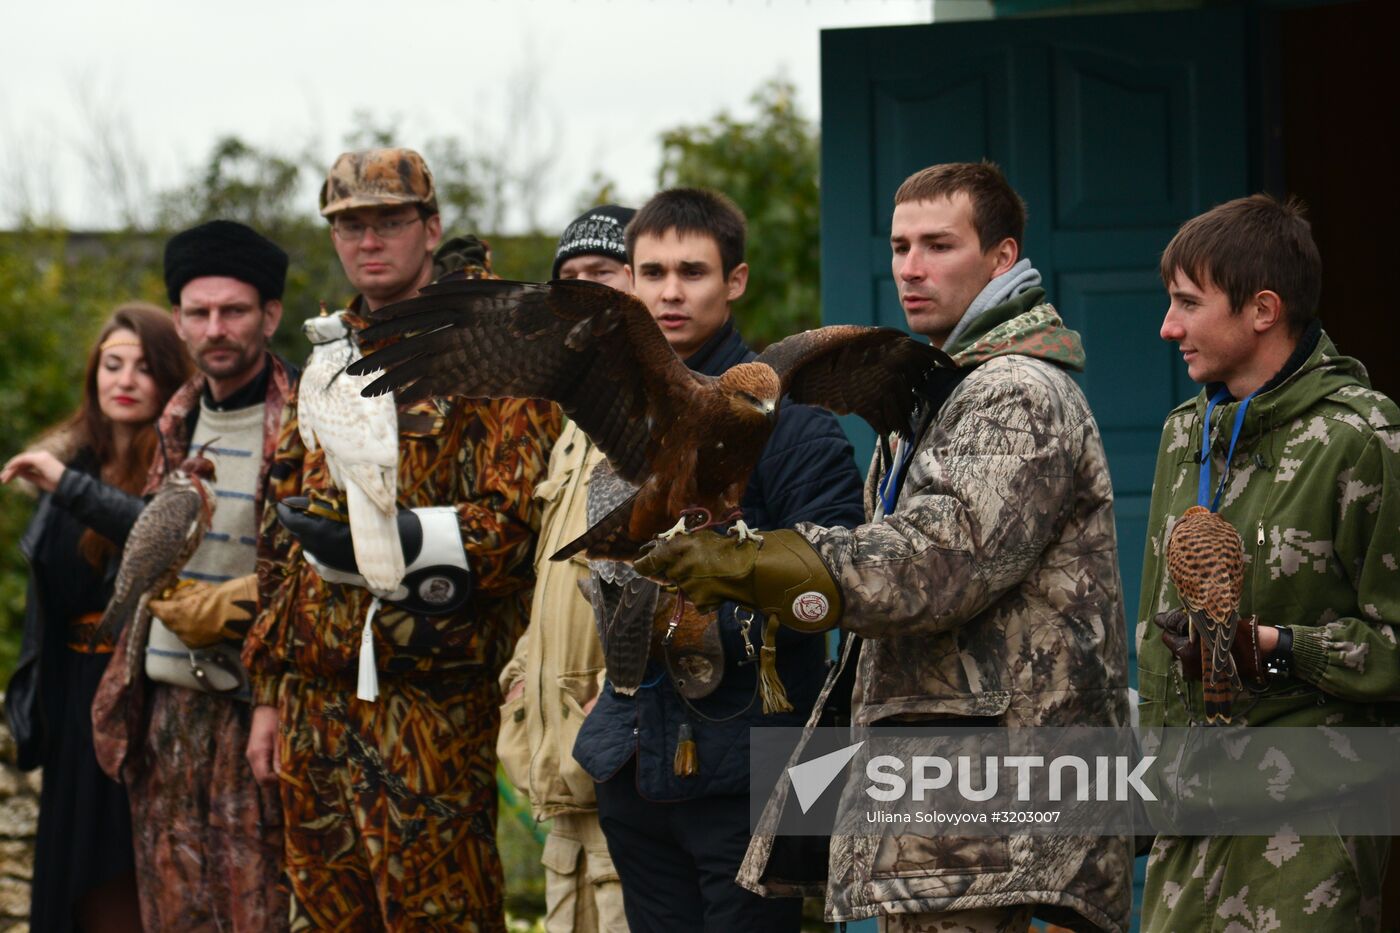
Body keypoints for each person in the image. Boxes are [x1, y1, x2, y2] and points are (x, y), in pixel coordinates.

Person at [635, 163, 1133, 932]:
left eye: (938, 244)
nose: (911, 267)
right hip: (951, 799)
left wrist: (754, 562)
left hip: (998, 808)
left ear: (1002, 257)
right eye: (900, 247)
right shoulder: (943, 388)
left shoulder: (1014, 391)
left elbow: (932, 566)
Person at [240, 147, 560, 931]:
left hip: (429, 696)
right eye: (350, 225)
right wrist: (269, 692)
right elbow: (278, 530)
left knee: (437, 914)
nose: (368, 240)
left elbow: (516, 525)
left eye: (388, 221)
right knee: (322, 916)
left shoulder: (491, 342)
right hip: (315, 699)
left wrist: (394, 539)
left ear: (432, 226)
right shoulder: (332, 350)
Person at [572, 187, 866, 933]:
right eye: (653, 272)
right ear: (629, 282)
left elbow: (838, 587)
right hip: (633, 761)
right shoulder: (619, 417)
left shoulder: (796, 425)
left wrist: (716, 584)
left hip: (760, 767)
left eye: (693, 272)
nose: (670, 291)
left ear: (734, 281)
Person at [1135, 194, 1399, 931]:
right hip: (1188, 823)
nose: (1168, 327)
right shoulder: (1183, 435)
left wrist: (1277, 649)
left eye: (1188, 303)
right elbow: (1154, 639)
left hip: (1308, 828)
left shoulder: (1363, 439)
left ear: (1262, 310)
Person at [90, 220, 296, 931]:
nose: (216, 328)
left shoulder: (307, 421)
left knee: (260, 916)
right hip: (163, 713)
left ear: (270, 314)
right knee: (172, 917)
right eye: (199, 312)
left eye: (234, 310)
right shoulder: (173, 421)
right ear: (177, 320)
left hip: (257, 717)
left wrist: (271, 691)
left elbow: (333, 575)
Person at [2, 304, 190, 932]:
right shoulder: (72, 465)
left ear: (170, 379)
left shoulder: (177, 469)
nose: (125, 380)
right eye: (112, 364)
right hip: (72, 701)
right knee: (71, 891)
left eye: (144, 367)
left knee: (124, 882)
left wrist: (67, 486)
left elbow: (162, 536)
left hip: (143, 703)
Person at [496, 204, 636, 933]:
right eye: (569, 279)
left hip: (617, 767)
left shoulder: (657, 409)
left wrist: (615, 697)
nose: (583, 292)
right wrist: (520, 681)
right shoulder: (573, 423)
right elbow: (552, 581)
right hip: (560, 776)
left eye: (602, 274)